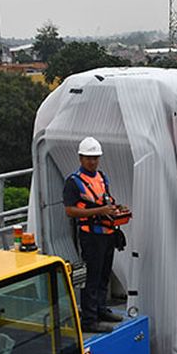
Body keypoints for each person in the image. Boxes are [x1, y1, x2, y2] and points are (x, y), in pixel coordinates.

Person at [63, 137, 132, 333]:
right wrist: (99, 211)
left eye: (95, 158)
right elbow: (70, 211)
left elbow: (104, 200)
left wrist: (115, 208)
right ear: (80, 158)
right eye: (88, 158)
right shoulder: (74, 182)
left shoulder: (102, 177)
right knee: (91, 278)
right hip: (90, 236)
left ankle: (101, 309)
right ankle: (89, 320)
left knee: (104, 274)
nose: (92, 162)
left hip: (107, 234)